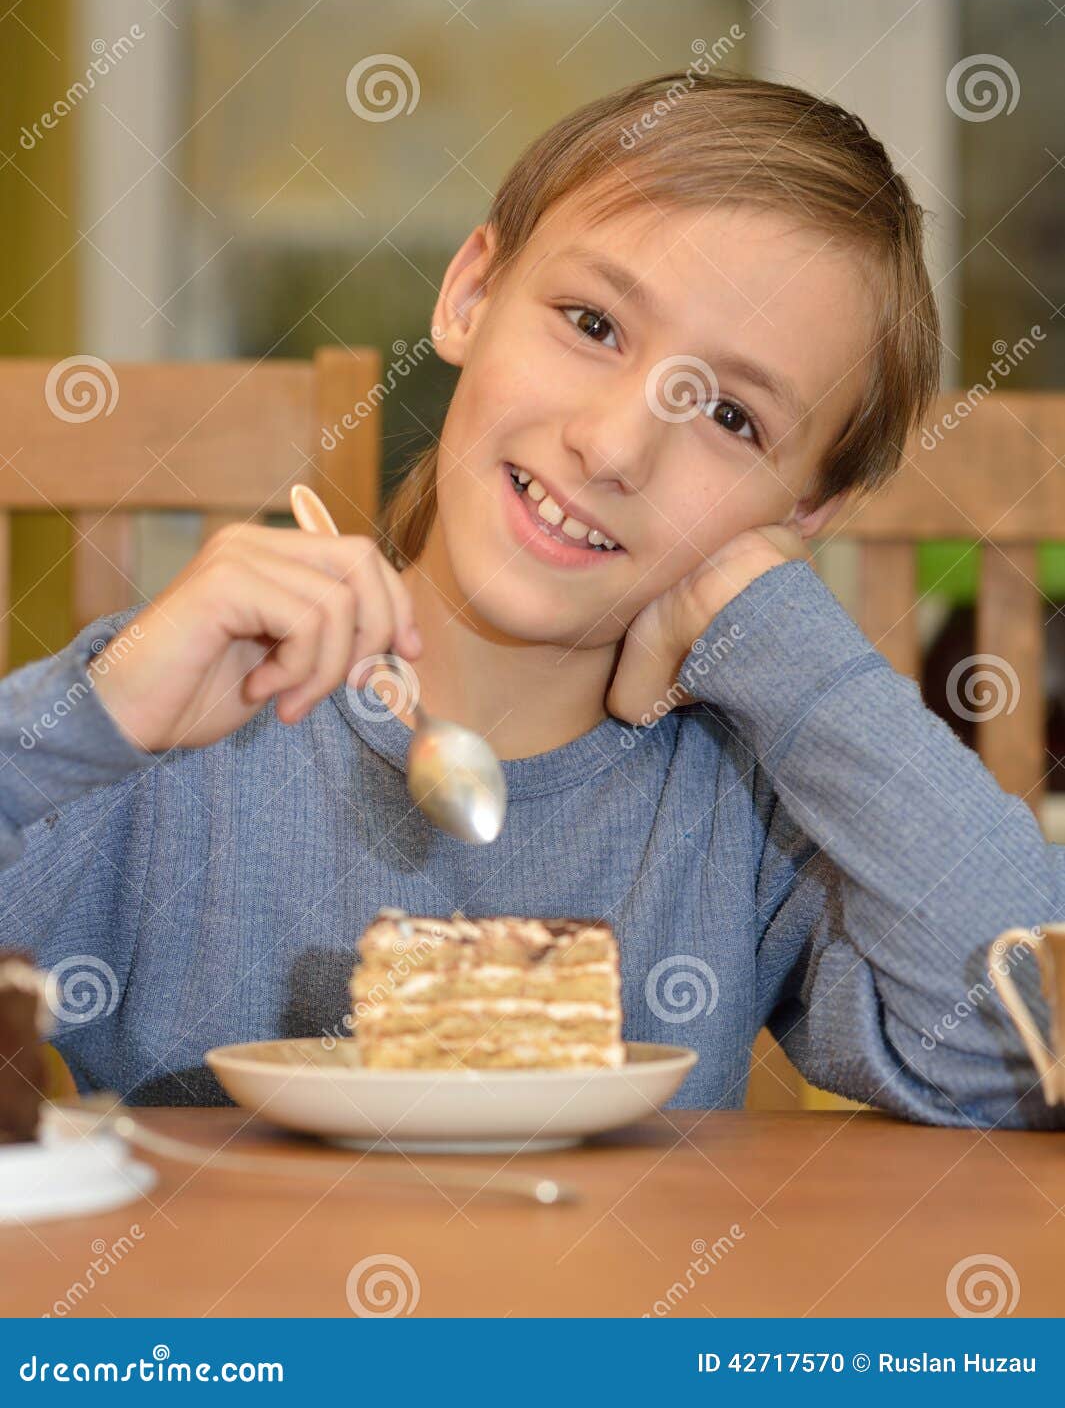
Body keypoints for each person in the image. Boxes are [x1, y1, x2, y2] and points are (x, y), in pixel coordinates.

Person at [1, 70, 1061, 1124]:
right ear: (470, 294)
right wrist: (95, 721)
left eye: (731, 418)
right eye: (593, 323)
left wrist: (789, 644)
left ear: (805, 508)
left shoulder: (747, 807)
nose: (613, 446)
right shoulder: (175, 725)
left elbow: (1028, 1052)